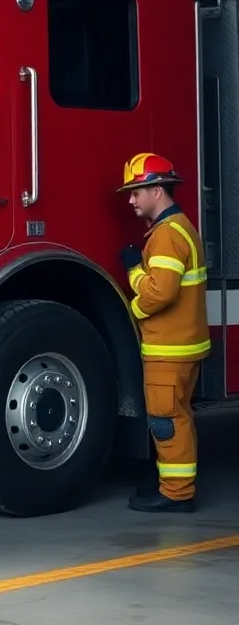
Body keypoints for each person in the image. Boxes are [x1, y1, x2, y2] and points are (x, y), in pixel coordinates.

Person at [118, 152, 209, 513]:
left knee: (166, 420)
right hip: (182, 347)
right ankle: (173, 485)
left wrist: (133, 280)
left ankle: (176, 493)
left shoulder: (167, 235)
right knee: (177, 417)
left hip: (168, 350)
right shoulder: (181, 227)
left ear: (157, 190)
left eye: (136, 191)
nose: (131, 200)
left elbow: (159, 293)